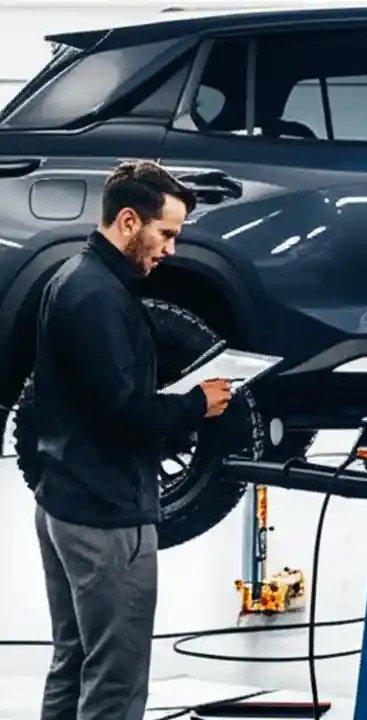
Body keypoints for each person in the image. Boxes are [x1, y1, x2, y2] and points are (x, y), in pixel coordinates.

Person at [29, 160, 234, 720]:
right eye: (165, 234)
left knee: (74, 663)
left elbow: (90, 396)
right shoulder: (97, 297)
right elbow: (123, 418)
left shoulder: (71, 278)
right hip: (105, 517)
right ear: (127, 221)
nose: (169, 249)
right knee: (115, 682)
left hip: (66, 502)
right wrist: (198, 404)